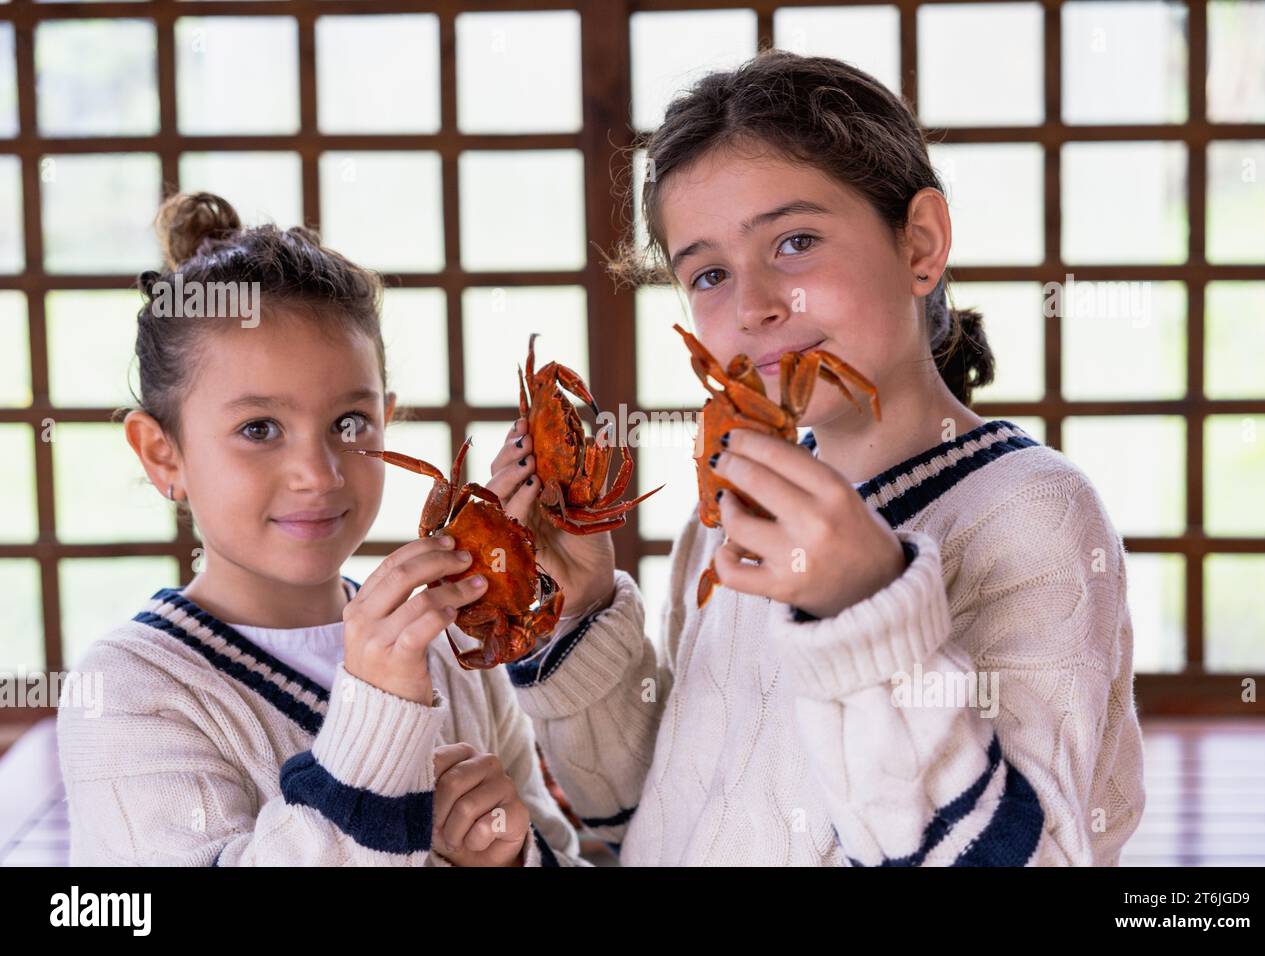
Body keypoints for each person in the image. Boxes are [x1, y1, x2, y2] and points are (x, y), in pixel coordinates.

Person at [482, 50, 1146, 866]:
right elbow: (654, 818)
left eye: (795, 241)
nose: (756, 306)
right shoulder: (728, 506)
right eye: (711, 273)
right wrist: (577, 610)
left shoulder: (1032, 519)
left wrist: (867, 611)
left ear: (921, 244)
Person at [57, 192, 583, 866]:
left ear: (387, 421)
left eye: (349, 423)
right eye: (259, 429)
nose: (319, 472)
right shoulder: (131, 691)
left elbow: (560, 850)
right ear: (164, 453)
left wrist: (509, 856)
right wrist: (378, 708)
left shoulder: (458, 645)